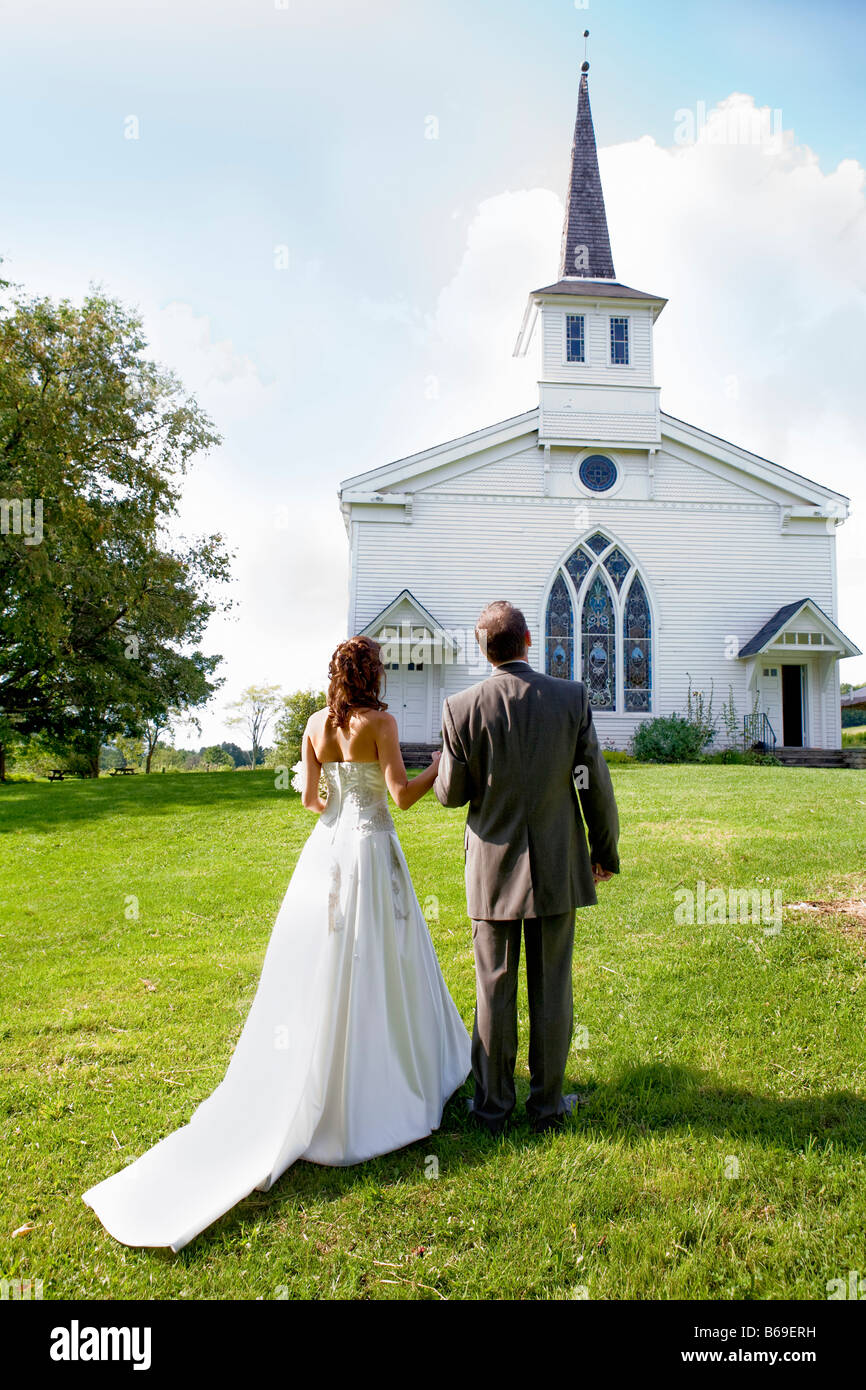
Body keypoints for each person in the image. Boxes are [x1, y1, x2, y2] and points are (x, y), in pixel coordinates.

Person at [82, 636, 470, 1252]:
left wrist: (337, 796)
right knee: (380, 962)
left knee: (326, 961)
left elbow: (312, 801)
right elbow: (400, 796)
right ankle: (386, 1081)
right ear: (373, 674)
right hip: (371, 853)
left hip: (326, 857)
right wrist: (443, 769)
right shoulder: (382, 722)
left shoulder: (316, 725)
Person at [434, 600, 620, 1136]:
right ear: (529, 641)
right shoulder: (570, 698)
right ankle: (548, 1106)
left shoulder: (460, 707)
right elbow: (594, 783)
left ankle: (492, 1108)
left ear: (483, 649)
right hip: (558, 863)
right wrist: (603, 851)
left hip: (491, 868)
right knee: (552, 986)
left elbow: (450, 794)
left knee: (493, 987)